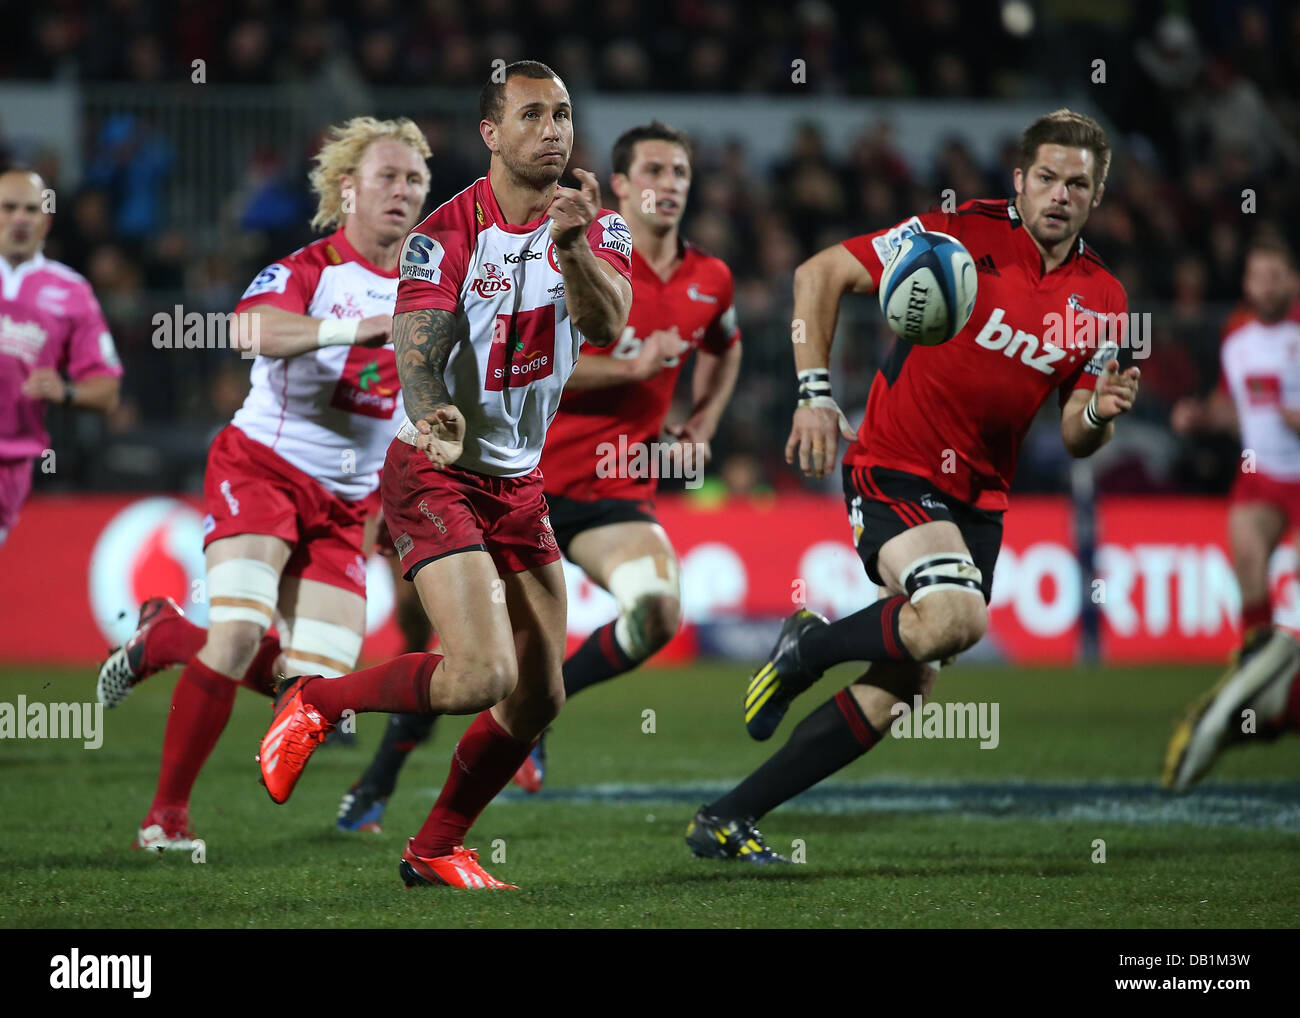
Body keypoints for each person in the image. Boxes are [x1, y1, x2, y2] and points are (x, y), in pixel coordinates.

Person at [684, 108, 1142, 862]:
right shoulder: (950, 233)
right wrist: (814, 394)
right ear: (1021, 180)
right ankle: (810, 649)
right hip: (897, 464)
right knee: (957, 617)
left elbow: (1075, 438)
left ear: (1098, 197)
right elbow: (818, 274)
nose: (1061, 195)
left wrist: (1097, 410)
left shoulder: (1104, 298)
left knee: (904, 687)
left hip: (982, 500)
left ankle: (728, 816)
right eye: (1049, 178)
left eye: (1080, 185)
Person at [257, 60, 633, 891]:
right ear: (492, 135)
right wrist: (432, 413)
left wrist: (571, 245)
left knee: (540, 698)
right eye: (533, 115)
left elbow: (606, 326)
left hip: (520, 484)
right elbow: (417, 343)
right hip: (437, 470)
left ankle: (432, 848)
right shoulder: (446, 233)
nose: (555, 131)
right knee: (481, 676)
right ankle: (318, 702)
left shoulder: (598, 226)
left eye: (564, 114)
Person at [334, 120, 741, 830]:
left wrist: (703, 421)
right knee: (466, 656)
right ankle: (377, 780)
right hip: (526, 477)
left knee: (656, 613)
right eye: (653, 171)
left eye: (679, 173)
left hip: (616, 491)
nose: (667, 185)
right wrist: (633, 368)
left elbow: (725, 345)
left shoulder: (709, 277)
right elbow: (521, 357)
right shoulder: (543, 243)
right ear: (620, 182)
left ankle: (537, 716)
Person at [96, 117, 432, 851]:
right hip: (264, 469)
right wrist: (350, 331)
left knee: (317, 704)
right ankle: (166, 819)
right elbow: (250, 332)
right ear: (348, 188)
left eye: (414, 180)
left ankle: (168, 636)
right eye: (388, 177)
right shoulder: (310, 269)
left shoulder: (433, 289)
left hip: (349, 504)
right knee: (243, 629)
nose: (402, 191)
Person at [1164, 238, 1300, 791]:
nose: (1263, 286)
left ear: (1292, 278)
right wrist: (1200, 416)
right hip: (1263, 474)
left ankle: (1278, 701)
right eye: (1255, 275)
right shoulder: (1237, 335)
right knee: (1245, 552)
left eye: (1273, 275)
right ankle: (1254, 676)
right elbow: (1231, 403)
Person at [0, 169, 121, 546]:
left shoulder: (71, 292)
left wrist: (66, 391)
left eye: (31, 209)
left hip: (14, 466)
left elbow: (107, 391)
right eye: (8, 207)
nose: (20, 218)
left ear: (46, 221)